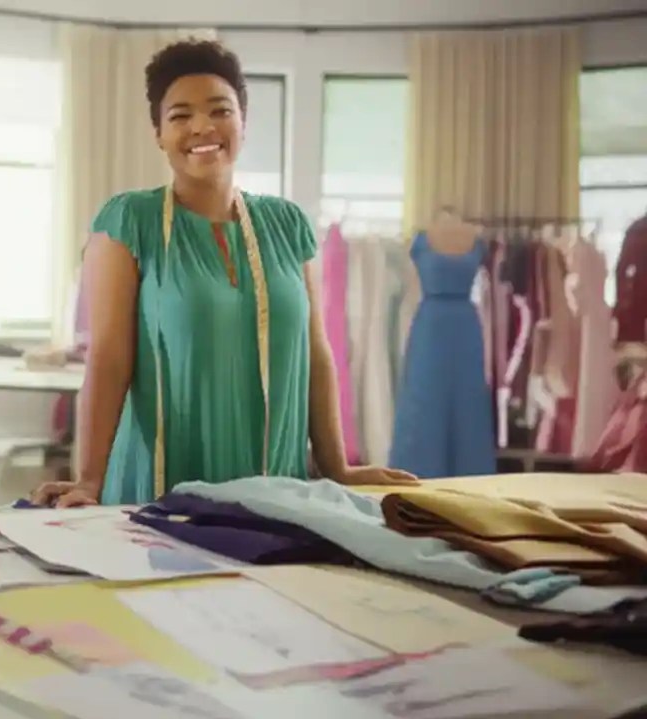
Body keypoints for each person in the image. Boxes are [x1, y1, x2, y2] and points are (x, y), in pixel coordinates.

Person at [32, 39, 417, 508]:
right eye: (180, 115)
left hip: (278, 487)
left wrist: (338, 467)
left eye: (220, 110)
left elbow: (314, 355)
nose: (202, 127)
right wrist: (88, 480)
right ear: (158, 132)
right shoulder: (130, 221)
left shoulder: (288, 224)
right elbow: (109, 360)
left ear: (242, 123)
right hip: (162, 487)